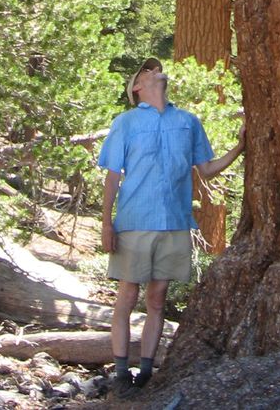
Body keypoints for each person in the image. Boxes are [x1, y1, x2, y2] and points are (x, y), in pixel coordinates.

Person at [98, 56, 245, 393]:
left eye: (157, 69)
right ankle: (120, 373)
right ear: (137, 88)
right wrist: (106, 223)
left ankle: (145, 373)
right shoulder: (126, 123)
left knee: (158, 297)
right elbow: (113, 176)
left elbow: (206, 169)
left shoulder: (187, 122)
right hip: (134, 220)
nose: (156, 72)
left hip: (175, 221)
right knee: (127, 294)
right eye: (147, 72)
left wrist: (241, 146)